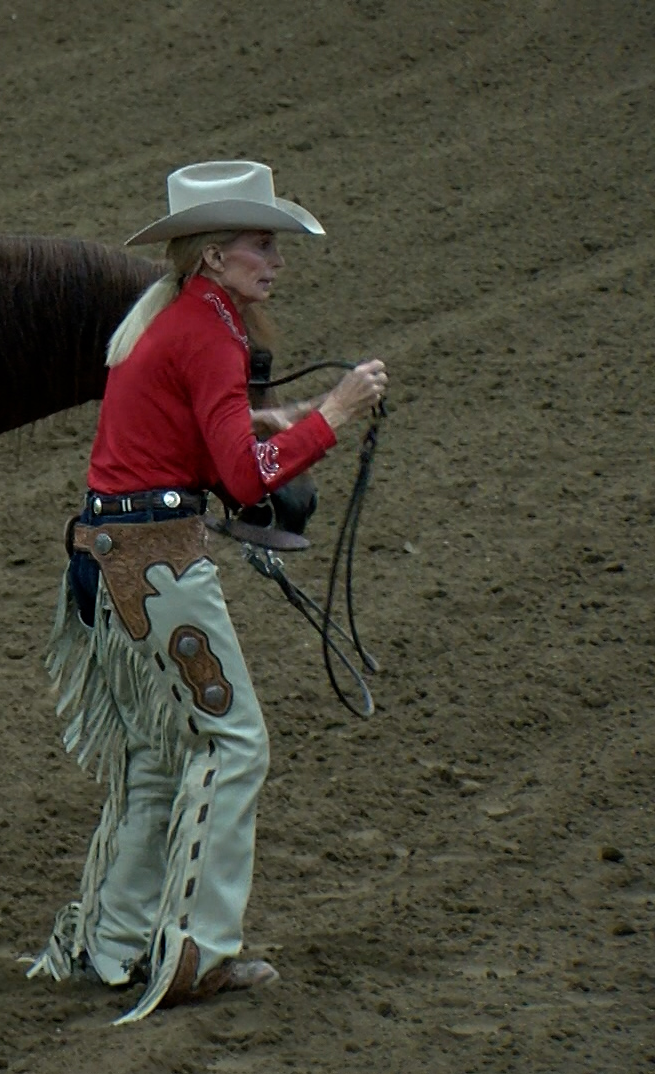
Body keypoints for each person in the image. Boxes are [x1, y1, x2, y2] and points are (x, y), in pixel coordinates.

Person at [25, 160, 388, 1024]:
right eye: (263, 243)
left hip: (108, 558)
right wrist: (333, 414)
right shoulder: (212, 333)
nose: (277, 259)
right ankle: (196, 952)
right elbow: (245, 478)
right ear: (217, 256)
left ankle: (114, 943)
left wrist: (270, 420)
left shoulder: (173, 317)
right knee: (234, 744)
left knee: (157, 758)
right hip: (156, 567)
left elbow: (190, 435)